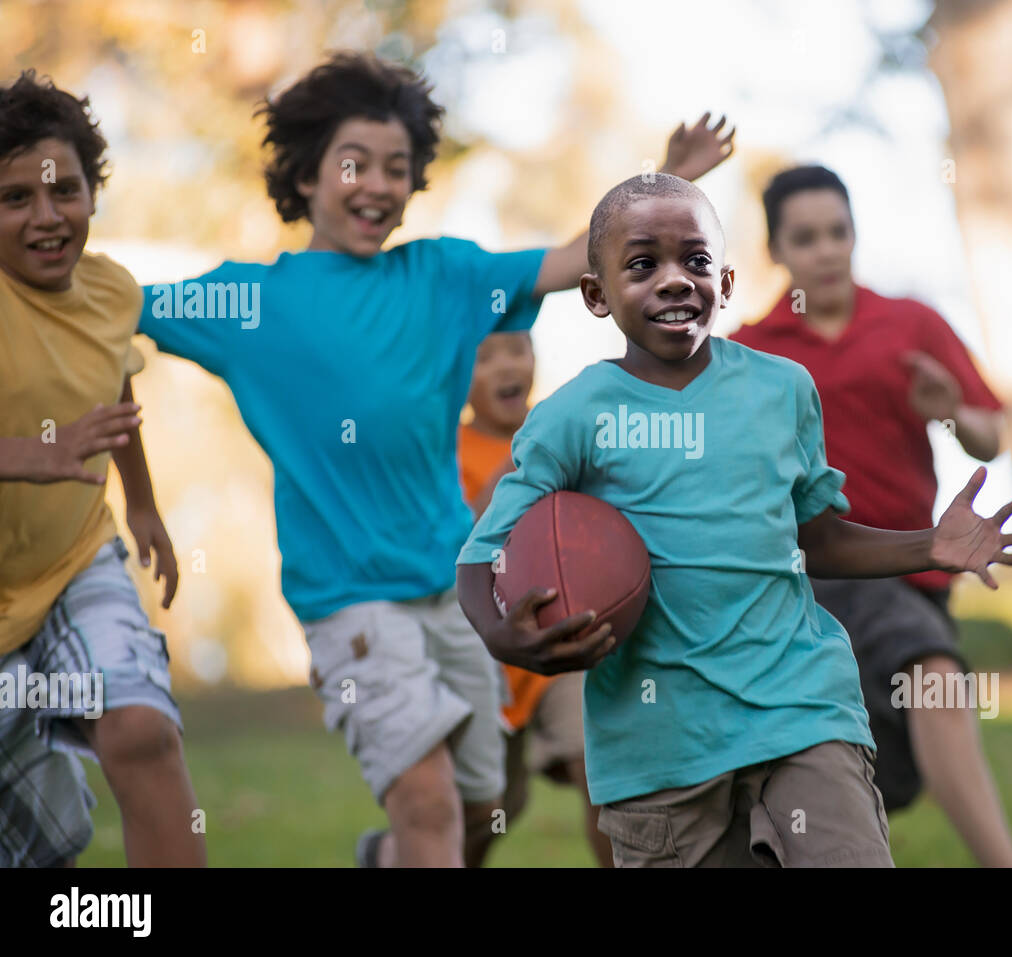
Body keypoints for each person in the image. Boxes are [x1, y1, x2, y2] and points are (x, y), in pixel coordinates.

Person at [135, 52, 735, 867]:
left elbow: (571, 260)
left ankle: (387, 858)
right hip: (350, 602)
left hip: (458, 587)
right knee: (428, 804)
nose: (377, 184)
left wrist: (666, 179)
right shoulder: (249, 300)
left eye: (397, 167)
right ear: (307, 173)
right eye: (355, 163)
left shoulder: (446, 277)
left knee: (482, 802)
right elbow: (110, 308)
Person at [456, 173, 1012, 867]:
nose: (674, 280)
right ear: (595, 293)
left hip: (799, 707)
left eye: (695, 261)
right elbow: (480, 554)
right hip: (660, 744)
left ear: (725, 283)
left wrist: (928, 545)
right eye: (643, 264)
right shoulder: (574, 416)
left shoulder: (782, 388)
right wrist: (503, 635)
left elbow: (816, 538)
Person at [732, 164, 1012, 867]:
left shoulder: (911, 322)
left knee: (904, 719)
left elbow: (990, 433)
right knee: (926, 672)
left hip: (909, 564)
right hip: (804, 576)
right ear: (776, 250)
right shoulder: (749, 351)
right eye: (805, 238)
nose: (827, 250)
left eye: (839, 232)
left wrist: (950, 411)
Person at [0, 70, 203, 867]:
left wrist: (144, 503)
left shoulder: (111, 290)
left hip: (73, 559)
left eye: (66, 190)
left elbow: (113, 384)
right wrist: (30, 454)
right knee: (37, 851)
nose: (48, 217)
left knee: (140, 726)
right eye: (14, 198)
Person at [456, 331, 613, 868]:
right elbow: (463, 535)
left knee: (596, 766)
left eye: (517, 349)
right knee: (496, 805)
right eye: (485, 356)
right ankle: (401, 855)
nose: (506, 366)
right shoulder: (451, 450)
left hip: (561, 630)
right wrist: (523, 458)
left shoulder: (562, 433)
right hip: (486, 650)